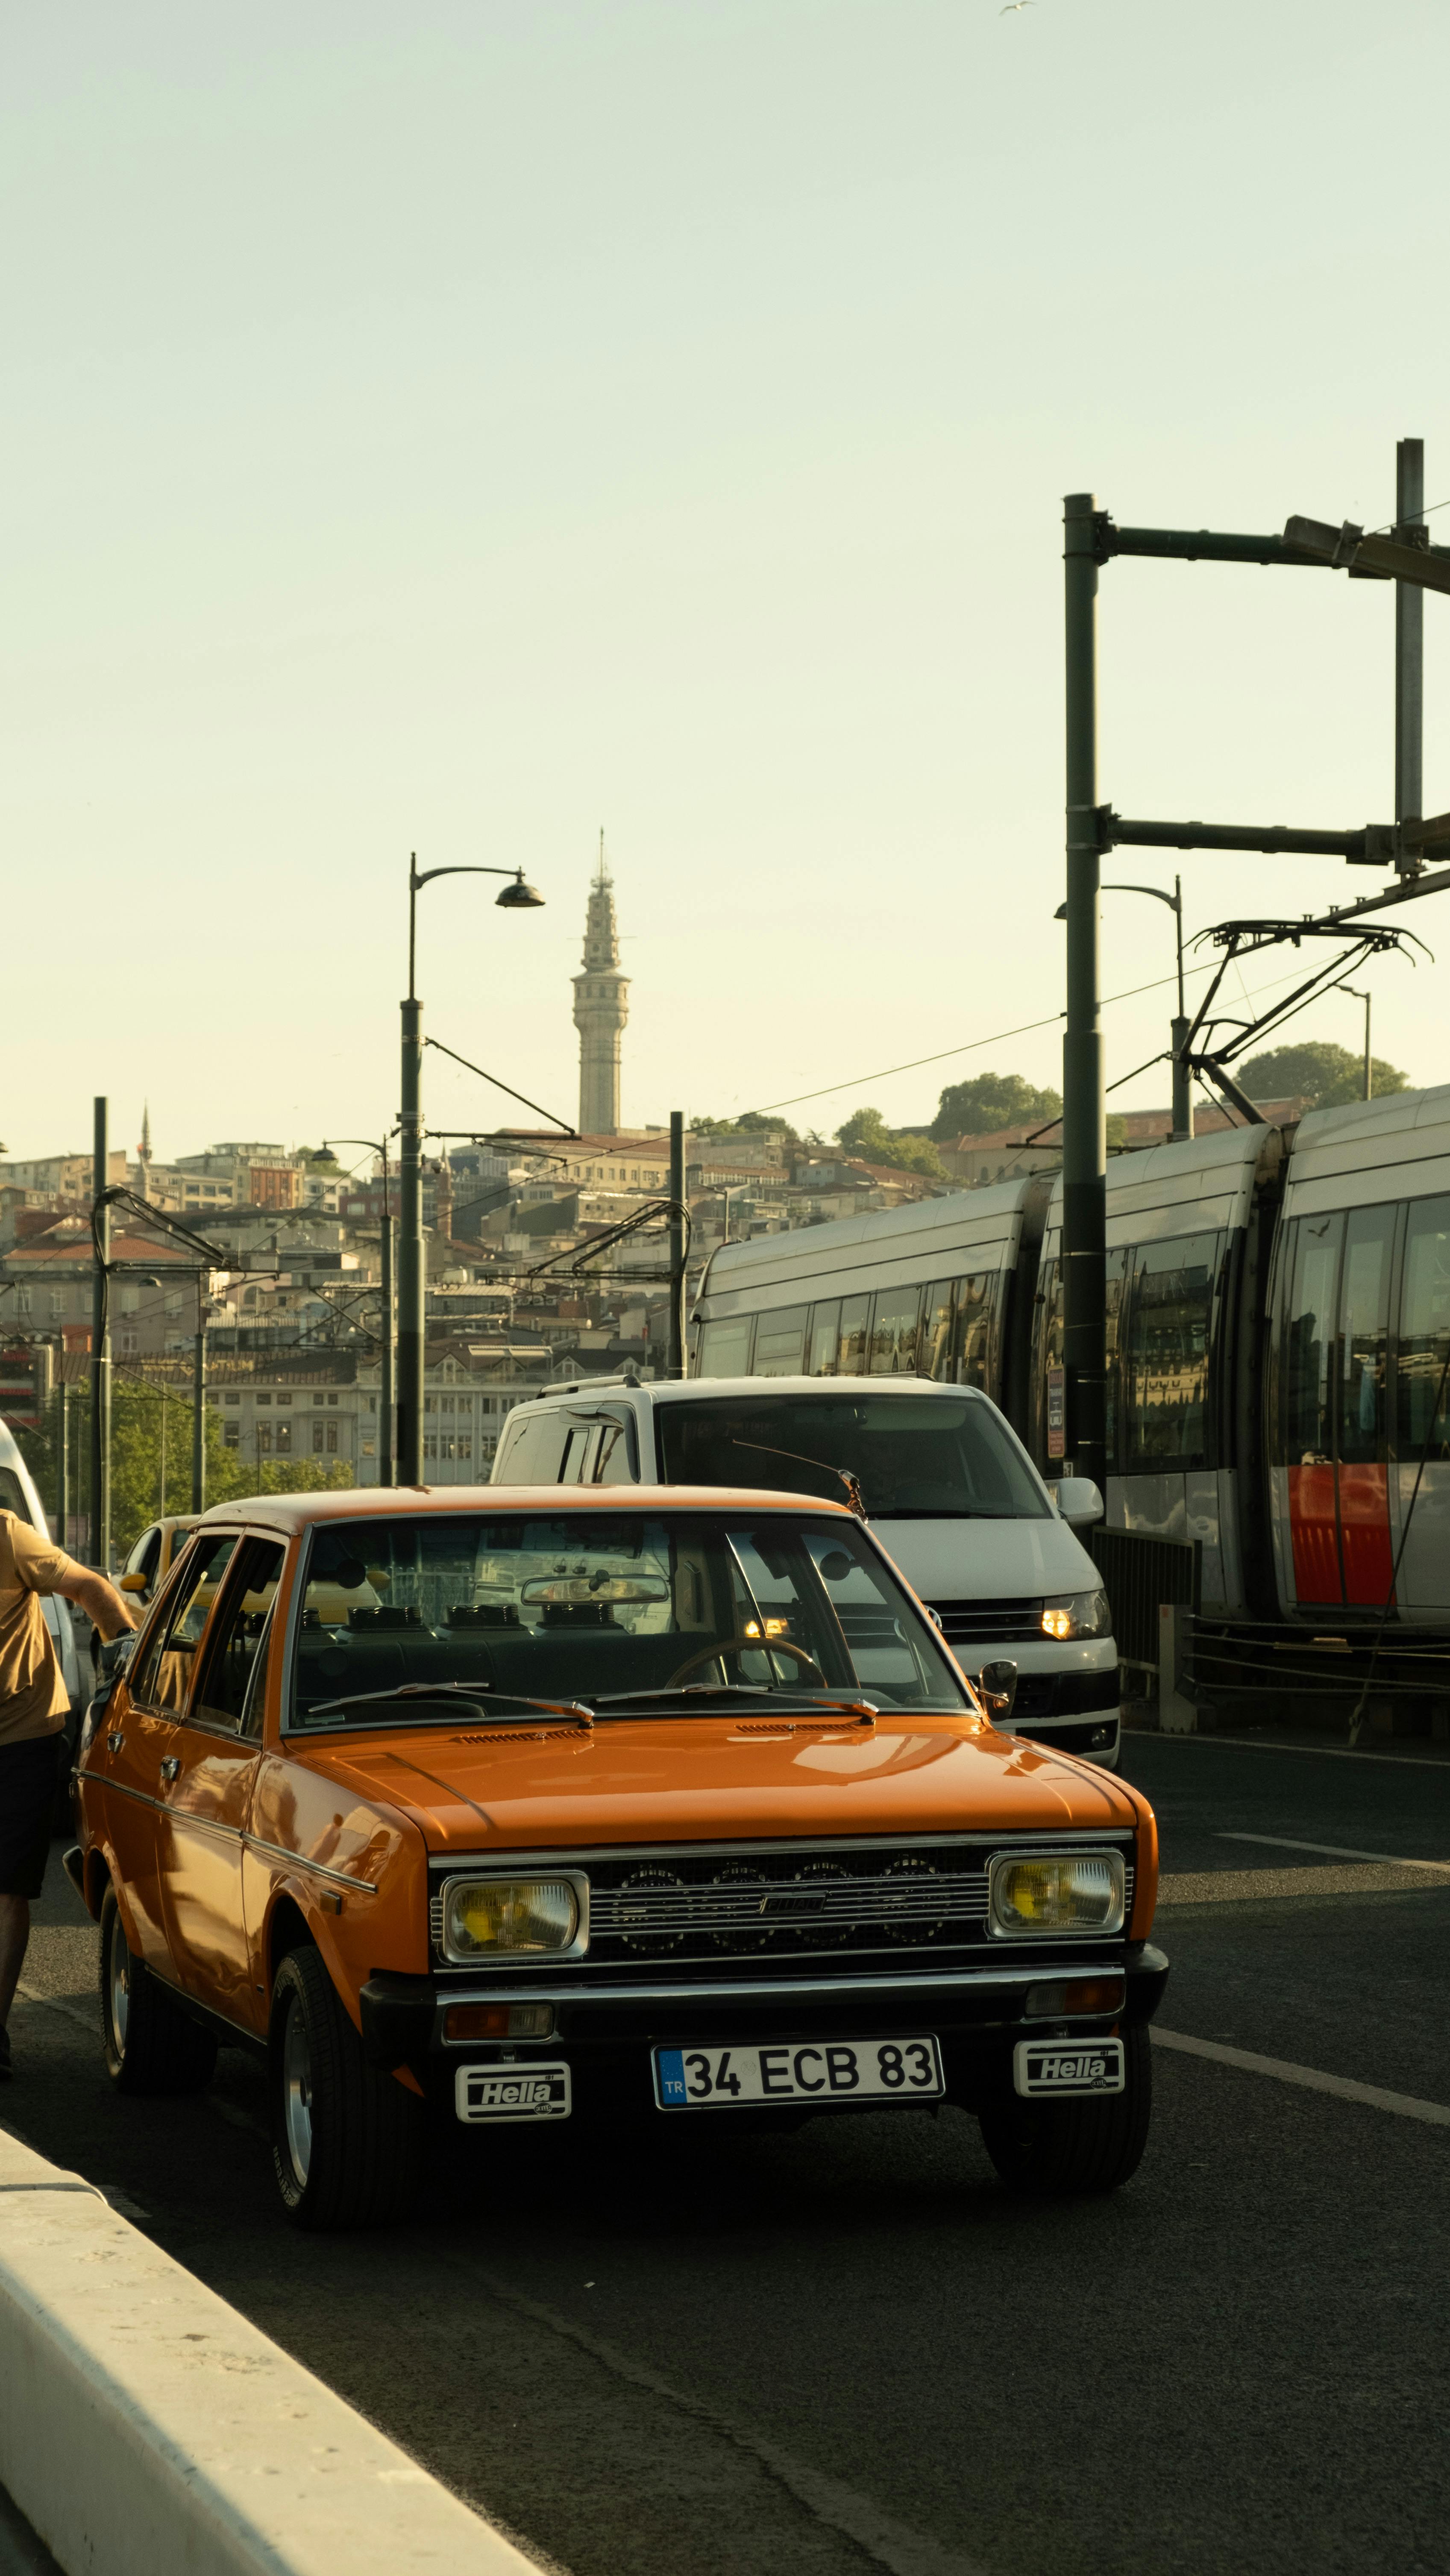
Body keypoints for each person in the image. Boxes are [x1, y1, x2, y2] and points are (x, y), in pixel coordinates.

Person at [0, 1512, 136, 2078]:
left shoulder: (8, 1535)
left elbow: (88, 1585)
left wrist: (125, 1660)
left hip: (22, 1733)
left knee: (7, 1890)